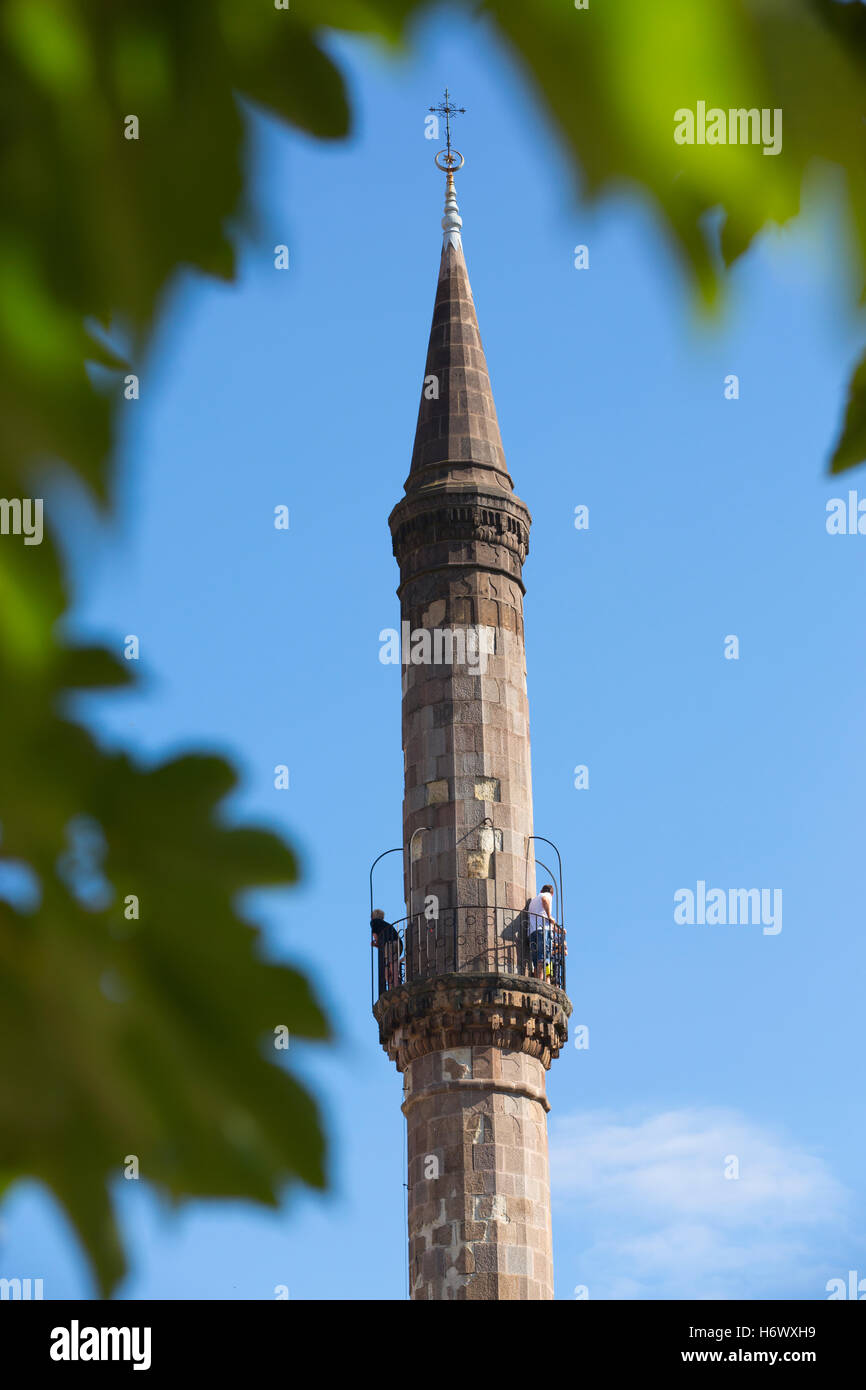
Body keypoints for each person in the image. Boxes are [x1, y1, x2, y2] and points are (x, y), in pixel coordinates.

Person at [526, 884, 556, 980]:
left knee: (536, 959)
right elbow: (545, 900)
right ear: (552, 893)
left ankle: (537, 979)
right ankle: (540, 980)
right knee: (542, 957)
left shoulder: (534, 900)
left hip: (532, 931)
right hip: (542, 929)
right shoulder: (547, 895)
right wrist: (549, 915)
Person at [371, 909, 402, 993]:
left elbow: (376, 937)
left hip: (390, 944)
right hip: (398, 944)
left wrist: (374, 944)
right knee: (390, 965)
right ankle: (394, 984)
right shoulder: (385, 924)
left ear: (373, 916)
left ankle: (395, 985)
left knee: (391, 964)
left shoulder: (374, 922)